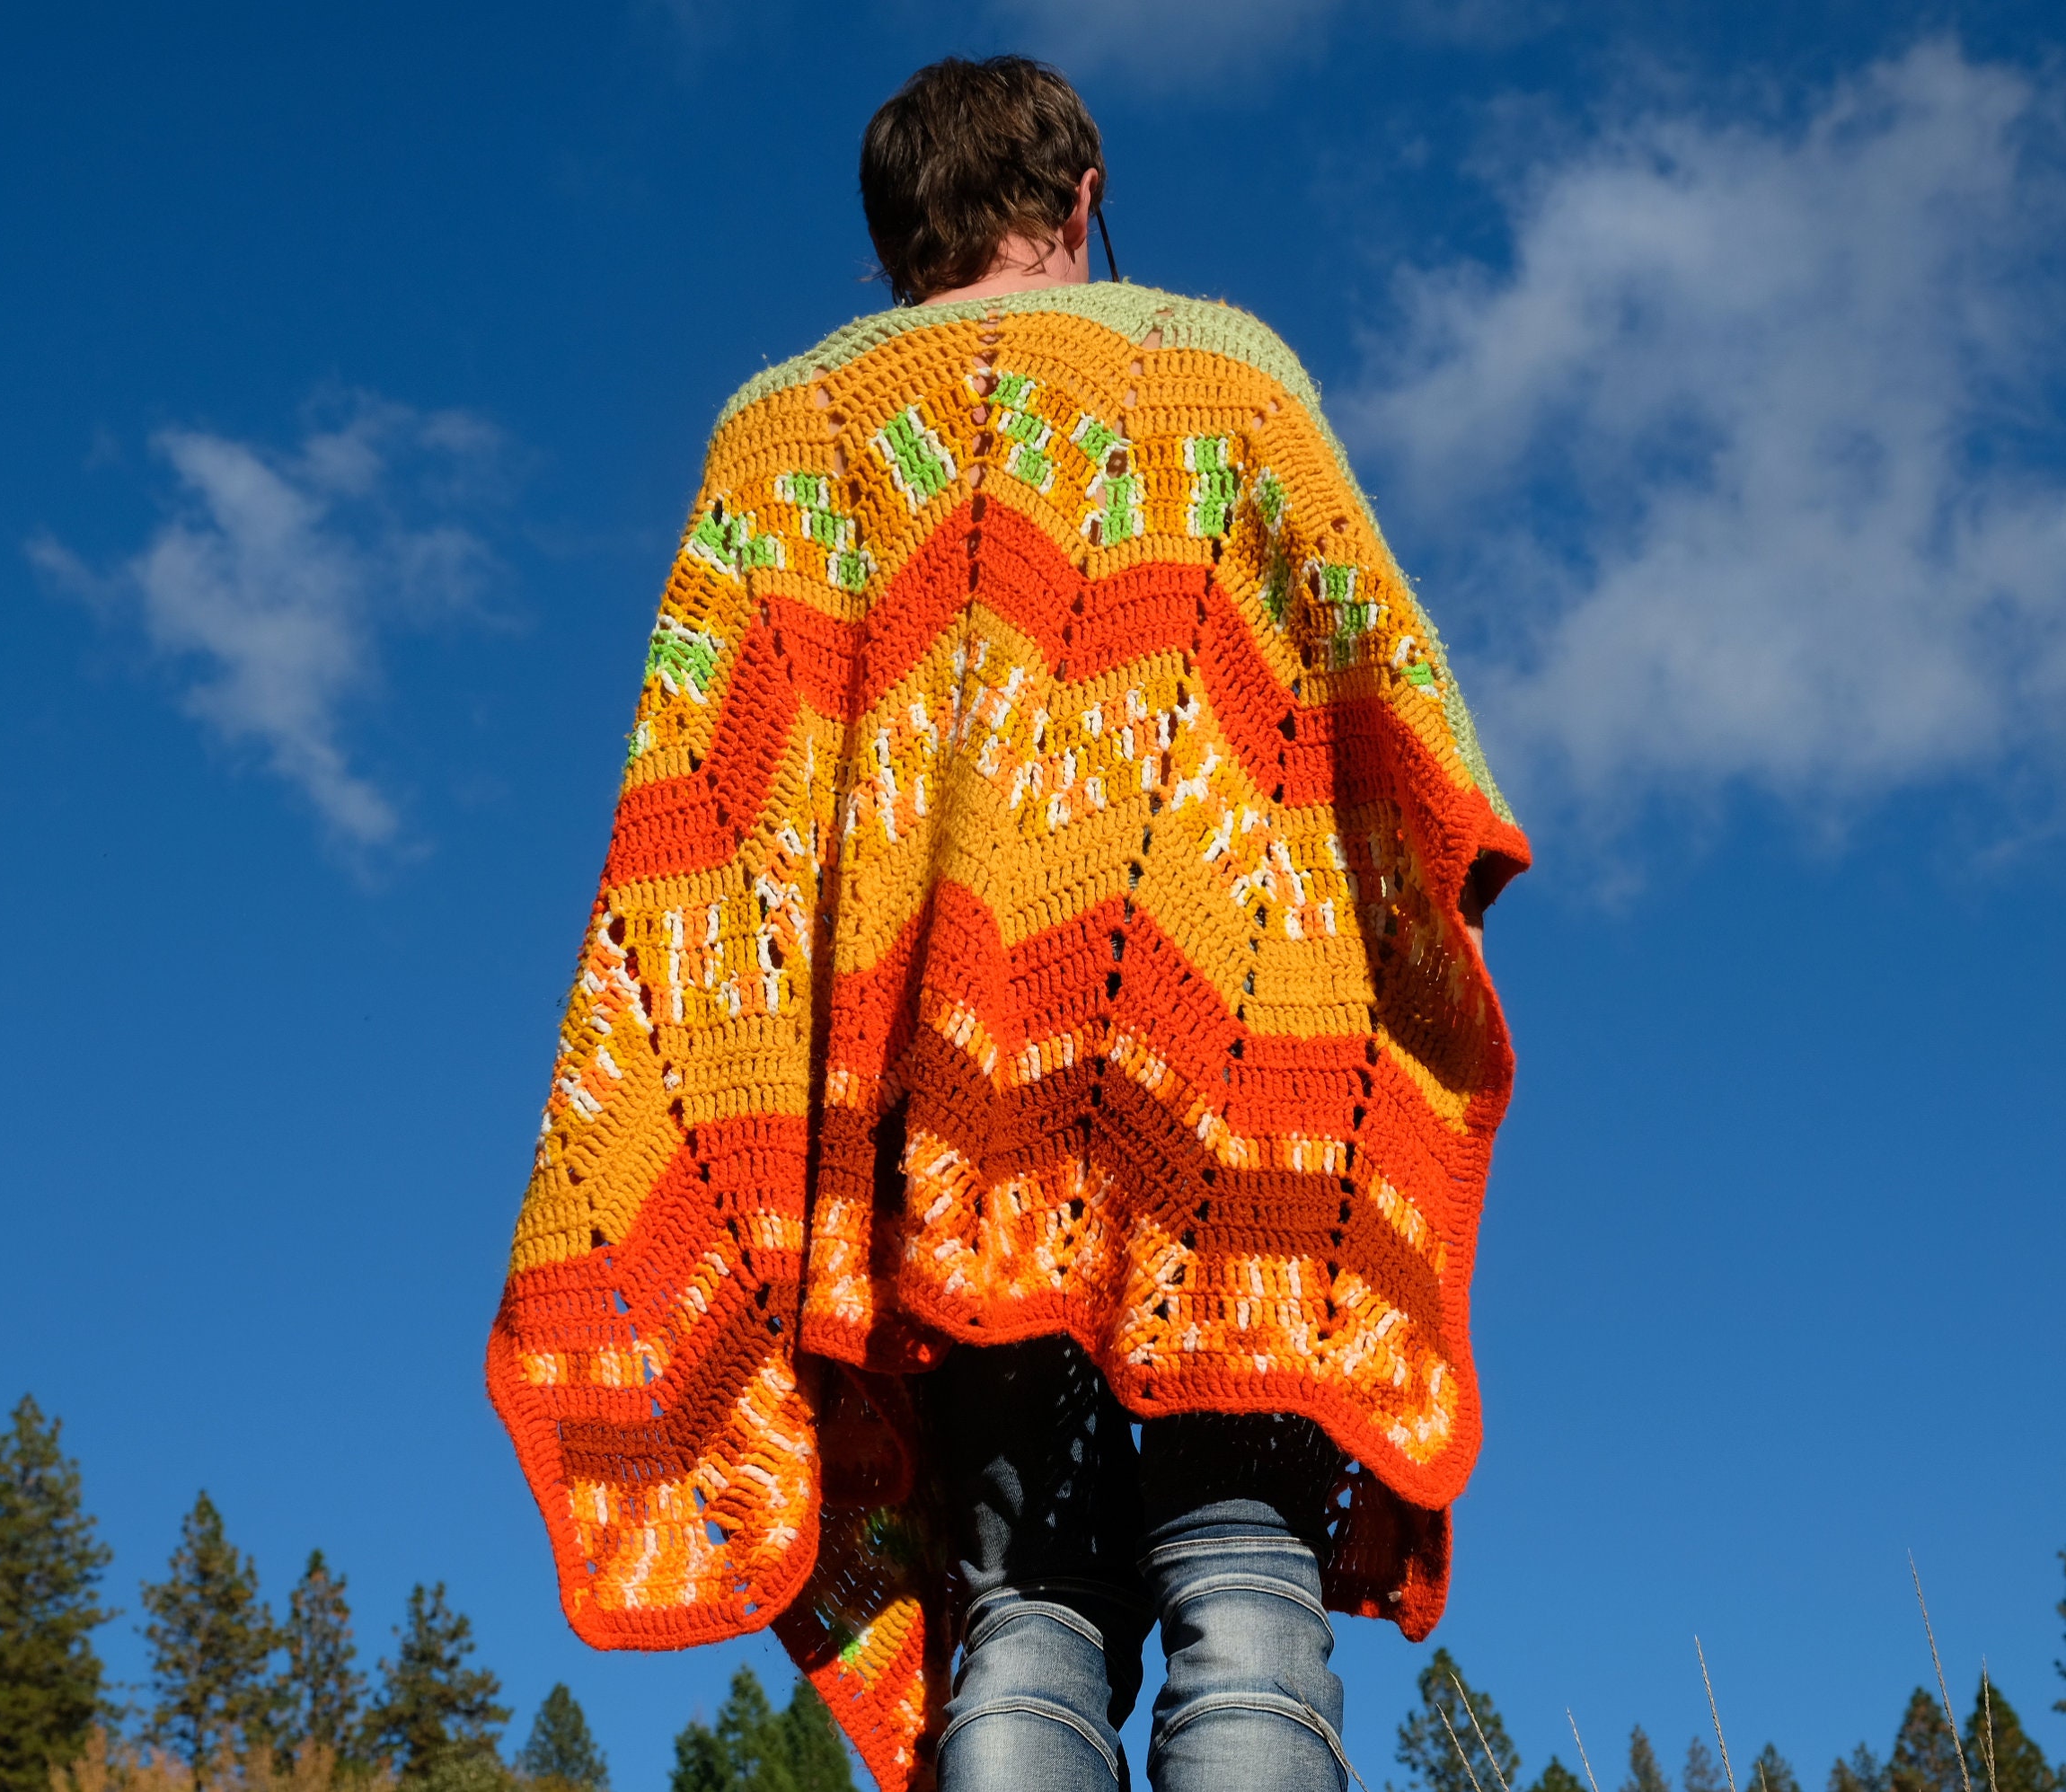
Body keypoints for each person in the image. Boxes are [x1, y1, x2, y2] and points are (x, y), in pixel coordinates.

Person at [486, 55, 1528, 1792]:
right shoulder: (1221, 371)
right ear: (1079, 188)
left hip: (952, 1116)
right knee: (1248, 1583)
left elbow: (705, 817)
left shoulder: (784, 436)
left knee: (1025, 1603)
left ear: (900, 229)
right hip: (1230, 1087)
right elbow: (1398, 710)